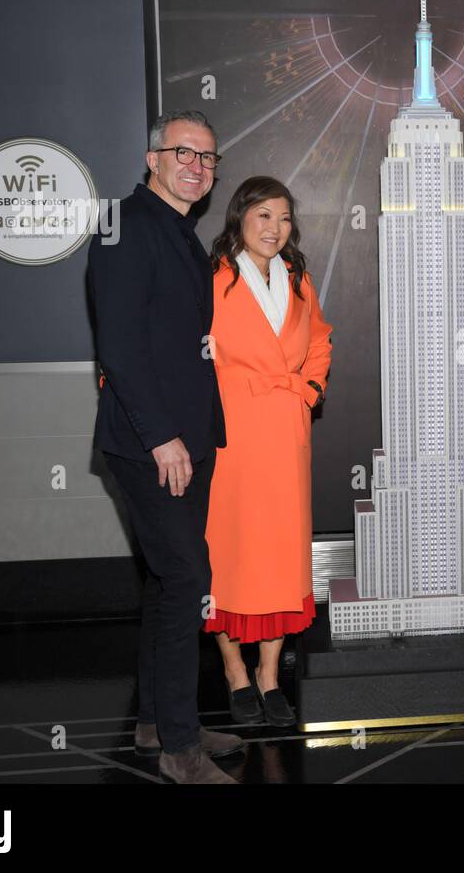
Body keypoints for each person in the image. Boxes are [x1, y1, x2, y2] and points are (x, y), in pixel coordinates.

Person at [87, 109, 241, 783]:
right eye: (184, 152)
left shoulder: (177, 230)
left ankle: (157, 719)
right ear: (153, 158)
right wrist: (164, 439)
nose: (197, 166)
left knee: (163, 580)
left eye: (208, 158)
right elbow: (119, 349)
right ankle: (181, 750)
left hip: (183, 440)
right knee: (185, 580)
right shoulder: (126, 225)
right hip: (154, 446)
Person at [203, 176, 331, 728]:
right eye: (263, 216)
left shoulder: (299, 280)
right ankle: (235, 671)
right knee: (232, 555)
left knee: (280, 555)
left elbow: (320, 341)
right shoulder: (210, 279)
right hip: (230, 437)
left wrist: (310, 390)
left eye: (283, 218)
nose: (274, 228)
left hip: (286, 434)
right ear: (239, 218)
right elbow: (186, 351)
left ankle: (269, 675)